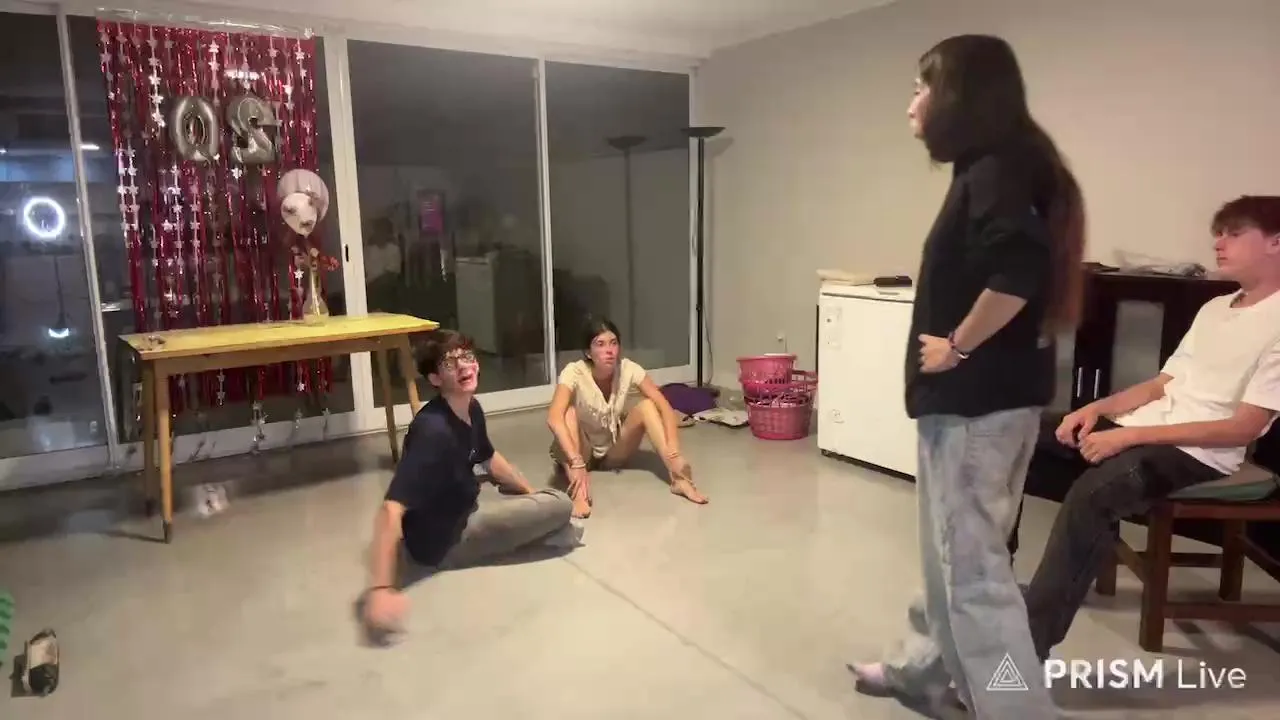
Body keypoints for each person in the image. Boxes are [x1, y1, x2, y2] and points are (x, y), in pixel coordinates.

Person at [849, 35, 1086, 720]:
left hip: (978, 409)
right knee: (949, 556)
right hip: (982, 406)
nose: (911, 105)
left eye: (921, 88)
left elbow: (1019, 270)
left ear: (960, 95)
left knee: (975, 575)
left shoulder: (998, 168)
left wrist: (957, 346)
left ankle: (1019, 709)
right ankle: (922, 669)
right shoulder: (1004, 164)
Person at [1019, 195, 1280, 662]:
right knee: (1015, 436)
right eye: (1218, 233)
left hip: (1199, 453)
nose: (1218, 243)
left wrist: (1127, 436)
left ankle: (1028, 645)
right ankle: (996, 584)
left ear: (1276, 242)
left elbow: (1243, 428)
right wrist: (1094, 409)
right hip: (1147, 427)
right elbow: (1162, 385)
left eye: (1234, 233)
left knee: (1094, 495)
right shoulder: (1216, 308)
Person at [360, 330, 576, 638]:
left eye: (467, 357)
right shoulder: (432, 431)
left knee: (537, 498)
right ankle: (548, 529)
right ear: (435, 378)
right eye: (450, 363)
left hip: (461, 510)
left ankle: (541, 523)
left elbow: (488, 456)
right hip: (448, 541)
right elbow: (390, 508)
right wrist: (381, 589)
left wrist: (531, 495)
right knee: (562, 505)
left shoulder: (471, 408)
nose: (464, 366)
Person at [547, 318, 707, 518]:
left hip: (612, 450)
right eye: (600, 344)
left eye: (613, 343)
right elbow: (553, 417)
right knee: (567, 412)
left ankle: (680, 480)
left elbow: (664, 406)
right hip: (582, 451)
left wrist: (673, 452)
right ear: (588, 352)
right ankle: (579, 494)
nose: (609, 350)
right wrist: (576, 460)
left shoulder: (628, 368)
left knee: (647, 406)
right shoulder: (574, 372)